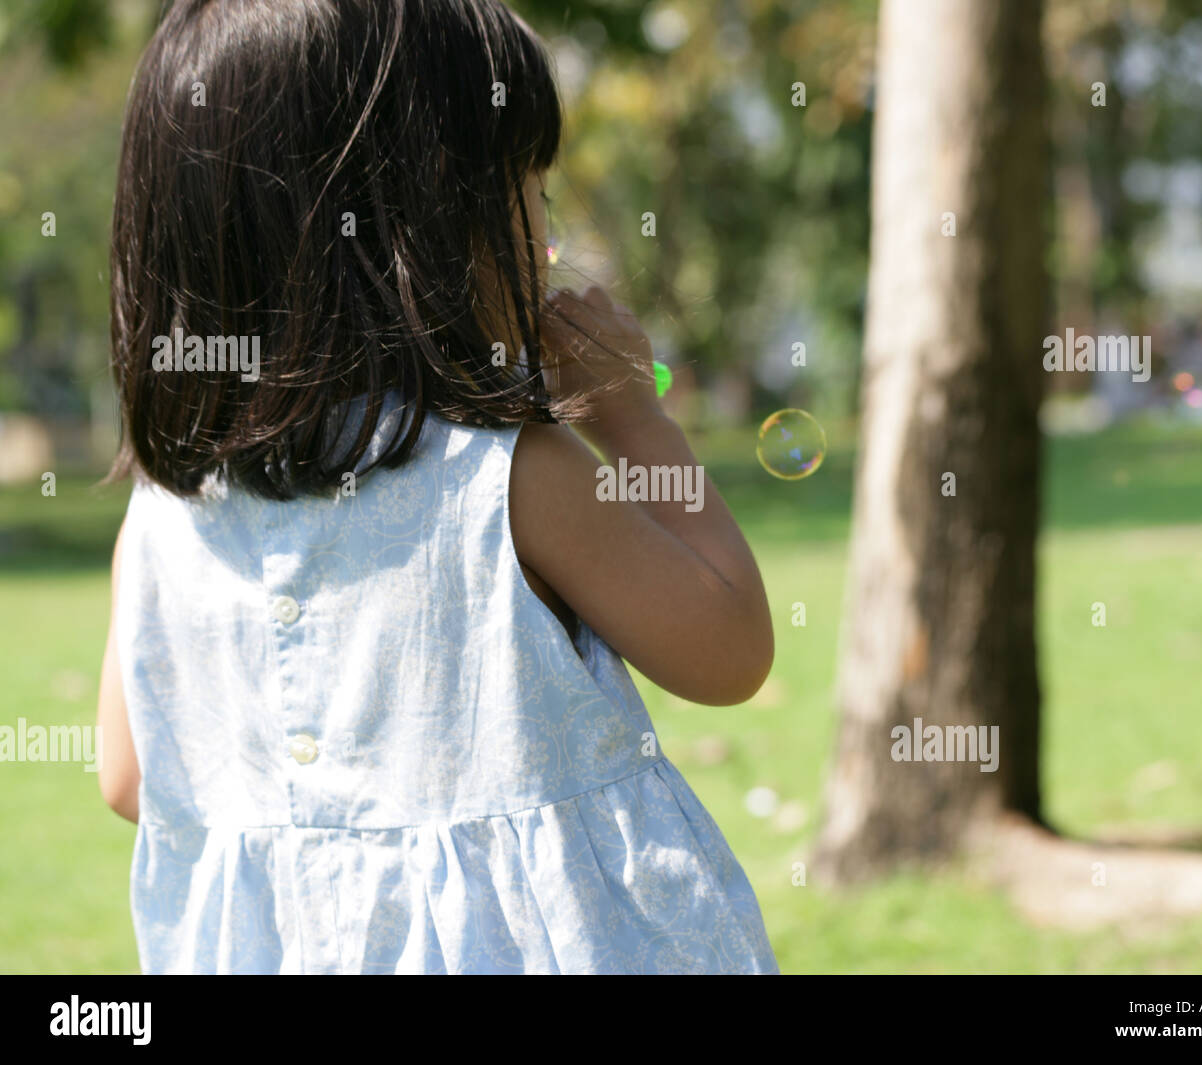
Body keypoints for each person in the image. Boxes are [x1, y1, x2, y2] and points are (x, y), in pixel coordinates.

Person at [95, 0, 779, 974]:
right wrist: (635, 418)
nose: (545, 236)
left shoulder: (163, 517)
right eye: (525, 184)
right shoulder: (510, 476)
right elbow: (729, 648)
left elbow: (131, 776)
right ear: (416, 221)